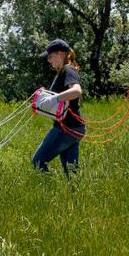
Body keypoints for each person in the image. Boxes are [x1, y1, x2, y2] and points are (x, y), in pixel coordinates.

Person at [31, 39, 84, 175]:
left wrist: (54, 98)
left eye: (50, 56)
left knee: (37, 162)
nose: (49, 60)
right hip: (75, 128)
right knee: (72, 173)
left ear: (60, 53)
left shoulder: (68, 70)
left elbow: (77, 91)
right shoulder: (62, 72)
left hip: (66, 129)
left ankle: (50, 190)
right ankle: (73, 195)